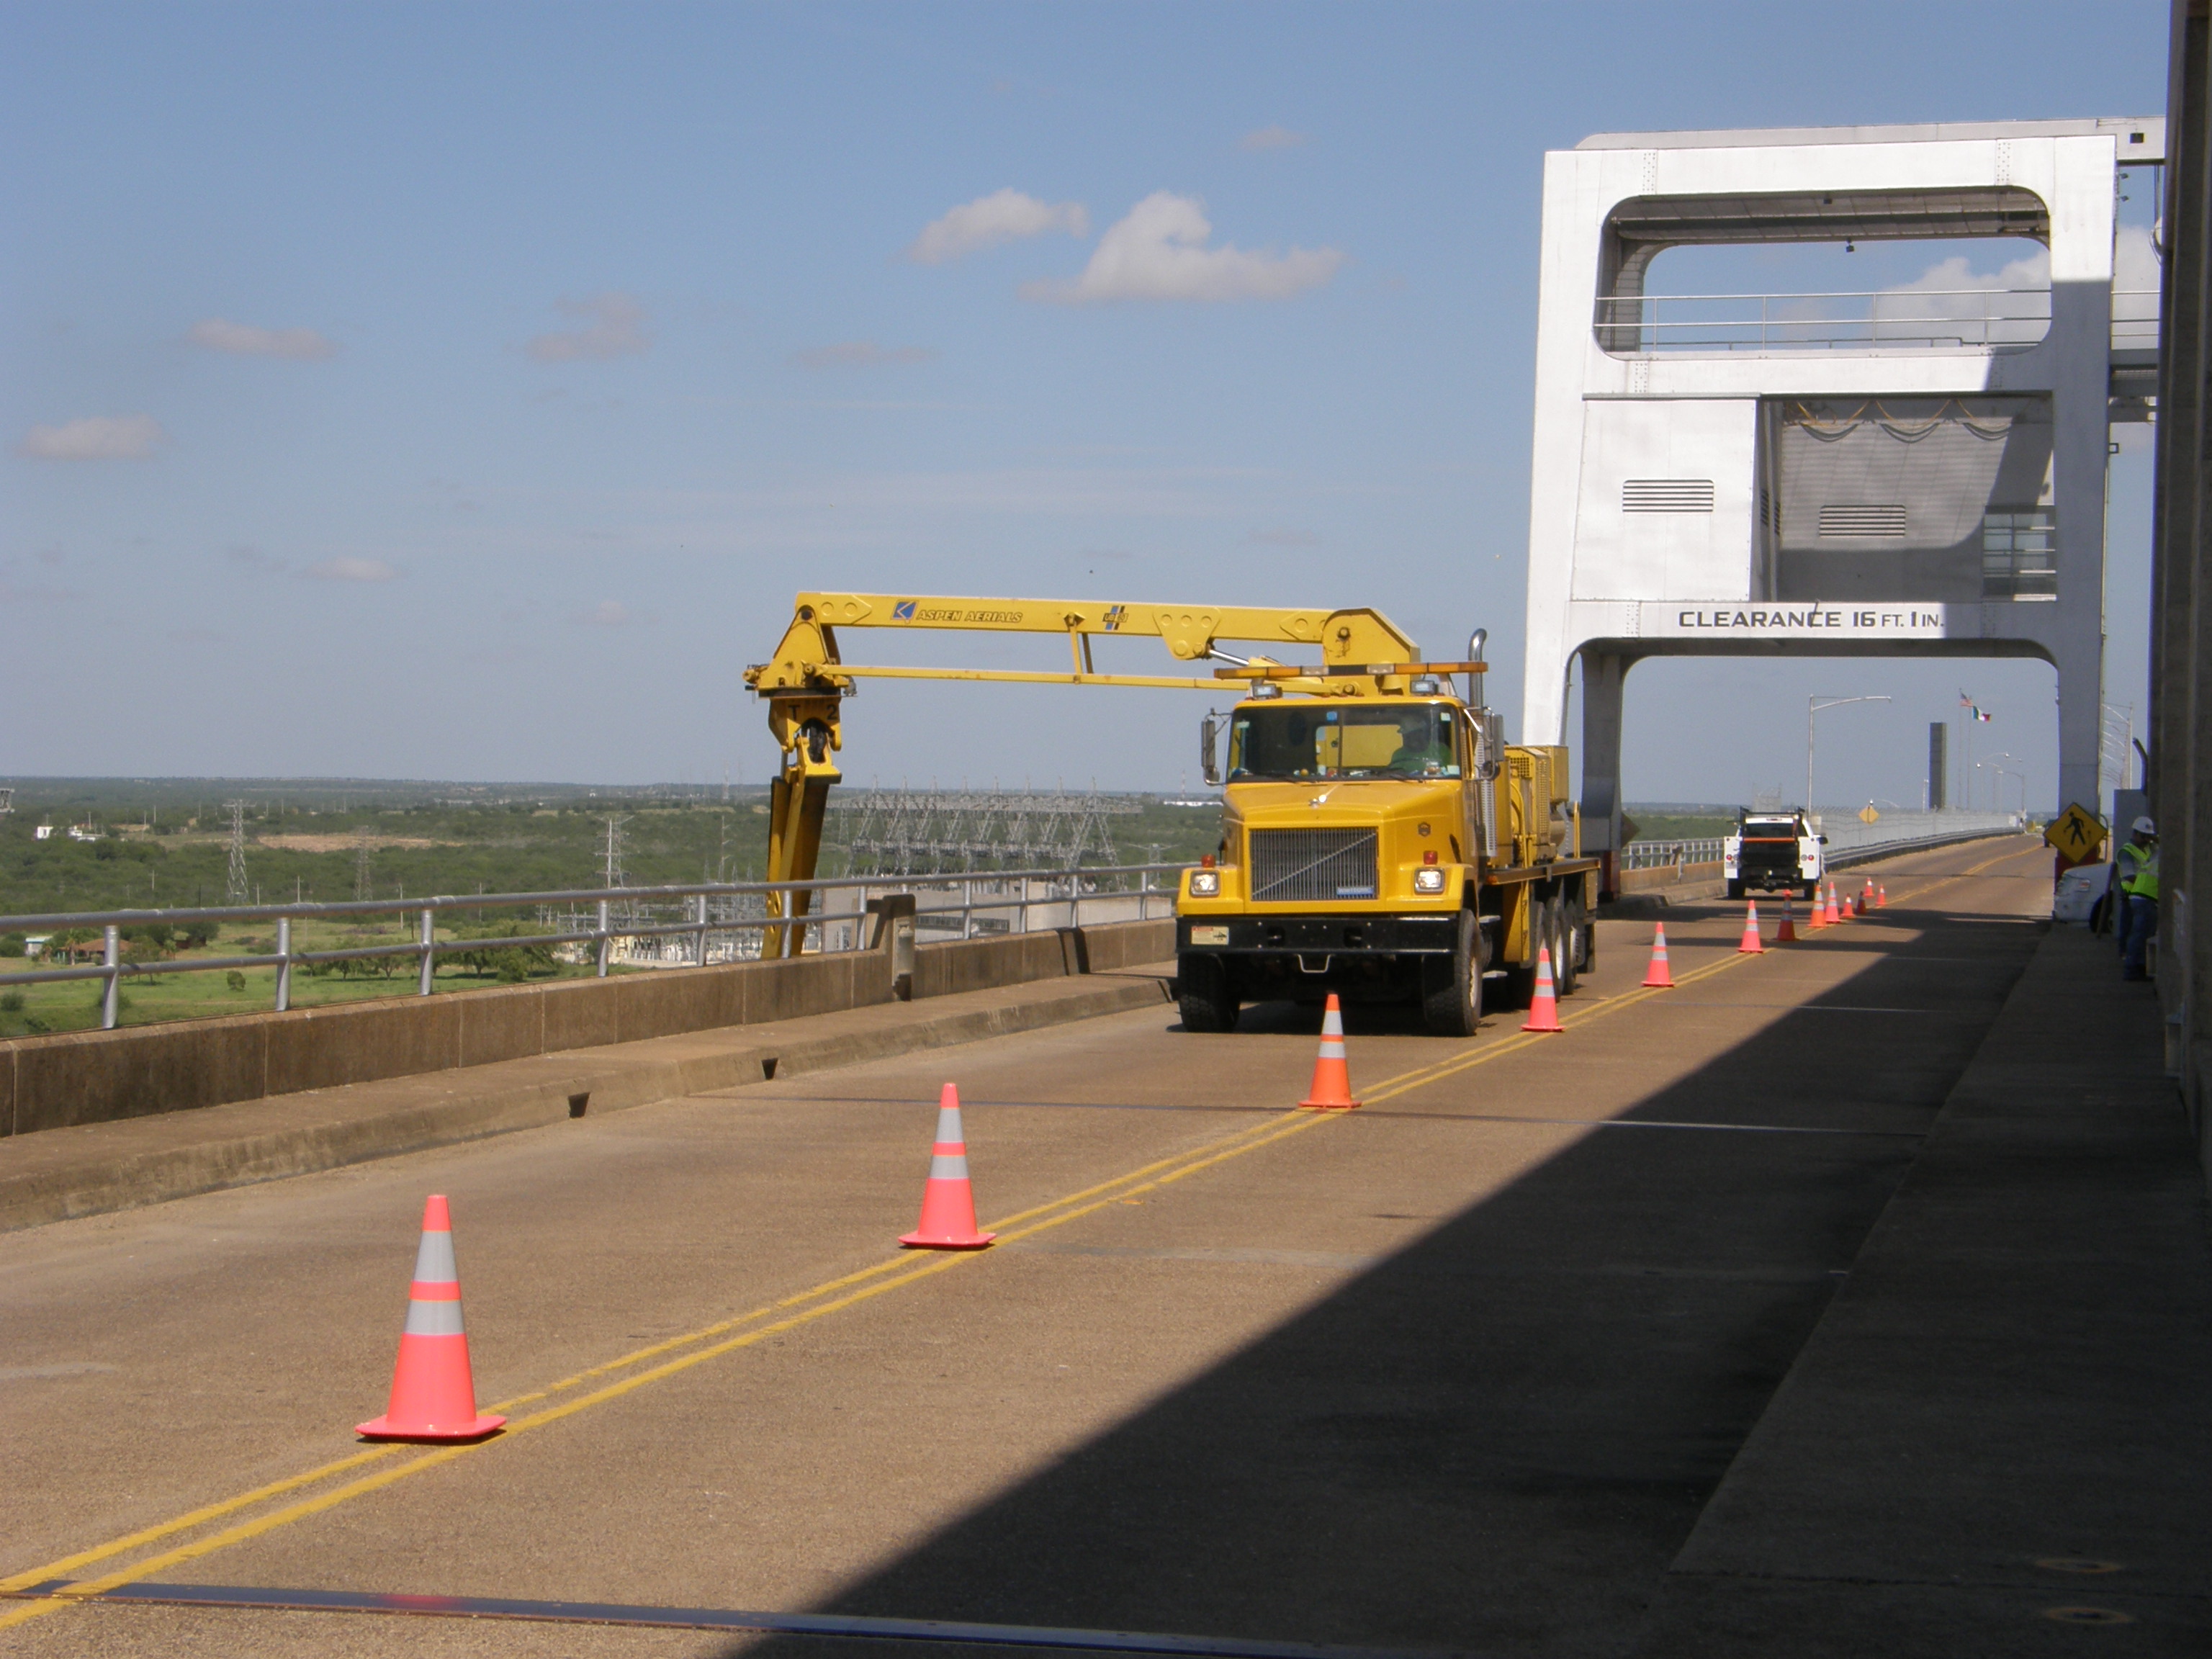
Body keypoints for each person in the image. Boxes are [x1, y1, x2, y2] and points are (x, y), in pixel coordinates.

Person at [2115, 816, 2159, 981]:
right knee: (2133, 933)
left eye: (2149, 836)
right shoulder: (2127, 851)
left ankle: (2136, 964)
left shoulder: (2149, 849)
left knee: (2140, 933)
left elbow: (2164, 844)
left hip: (2144, 896)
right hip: (2133, 895)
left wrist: (2153, 838)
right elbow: (2129, 876)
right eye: (2145, 836)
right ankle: (2129, 962)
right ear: (2136, 834)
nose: (2148, 840)